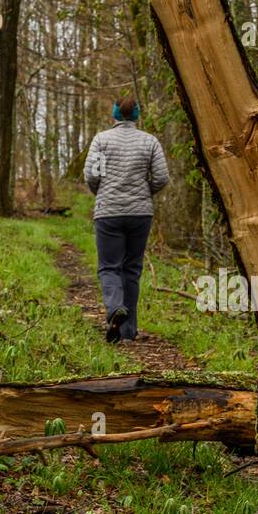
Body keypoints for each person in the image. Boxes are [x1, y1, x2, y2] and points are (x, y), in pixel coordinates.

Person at [83, 94, 169, 342]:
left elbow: (91, 176)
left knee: (109, 267)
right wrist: (144, 193)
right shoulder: (150, 141)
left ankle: (114, 311)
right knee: (132, 269)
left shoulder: (101, 140)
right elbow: (161, 177)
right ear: (137, 115)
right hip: (140, 213)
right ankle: (128, 330)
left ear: (115, 114)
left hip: (108, 212)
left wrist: (103, 193)